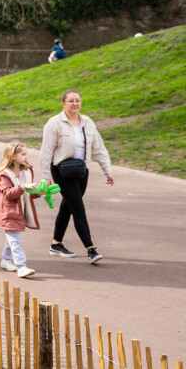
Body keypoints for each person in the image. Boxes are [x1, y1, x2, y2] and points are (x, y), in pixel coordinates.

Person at [39, 90, 114, 264]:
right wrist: (45, 176)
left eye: (78, 100)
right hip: (62, 170)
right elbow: (46, 152)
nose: (75, 104)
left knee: (68, 206)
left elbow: (99, 148)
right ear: (63, 103)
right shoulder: (54, 123)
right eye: (71, 101)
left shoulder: (87, 122)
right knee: (78, 208)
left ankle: (56, 244)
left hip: (82, 171)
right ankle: (91, 249)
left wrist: (107, 170)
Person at [0, 141, 42, 279]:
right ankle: (21, 266)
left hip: (20, 210)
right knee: (15, 240)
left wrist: (40, 192)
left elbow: (28, 192)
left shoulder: (26, 170)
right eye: (23, 154)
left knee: (12, 239)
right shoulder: (3, 175)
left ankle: (6, 260)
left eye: (27, 154)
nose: (26, 157)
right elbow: (8, 193)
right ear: (13, 156)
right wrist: (23, 186)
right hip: (9, 212)